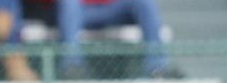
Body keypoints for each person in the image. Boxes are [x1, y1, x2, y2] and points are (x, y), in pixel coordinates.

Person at [25, 0, 171, 78]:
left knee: (145, 2)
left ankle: (157, 69)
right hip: (70, 12)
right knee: (69, 3)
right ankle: (73, 68)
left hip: (109, 8)